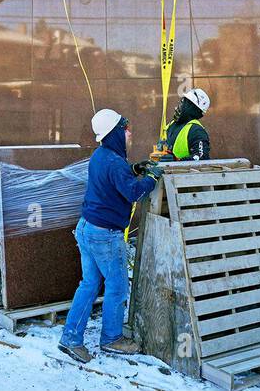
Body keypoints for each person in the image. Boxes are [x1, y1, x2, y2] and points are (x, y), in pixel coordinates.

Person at [58, 108, 161, 364]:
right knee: (117, 286)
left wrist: (135, 168)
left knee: (89, 284)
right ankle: (112, 339)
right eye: (125, 128)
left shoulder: (102, 155)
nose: (129, 133)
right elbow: (132, 193)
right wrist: (150, 178)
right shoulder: (114, 162)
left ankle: (70, 338)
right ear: (114, 133)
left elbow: (117, 178)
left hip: (87, 228)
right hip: (105, 235)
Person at [161, 88, 212, 161]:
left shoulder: (196, 131)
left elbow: (202, 158)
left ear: (192, 108)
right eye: (181, 102)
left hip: (183, 172)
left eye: (183, 103)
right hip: (165, 170)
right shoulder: (172, 124)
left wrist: (177, 160)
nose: (178, 107)